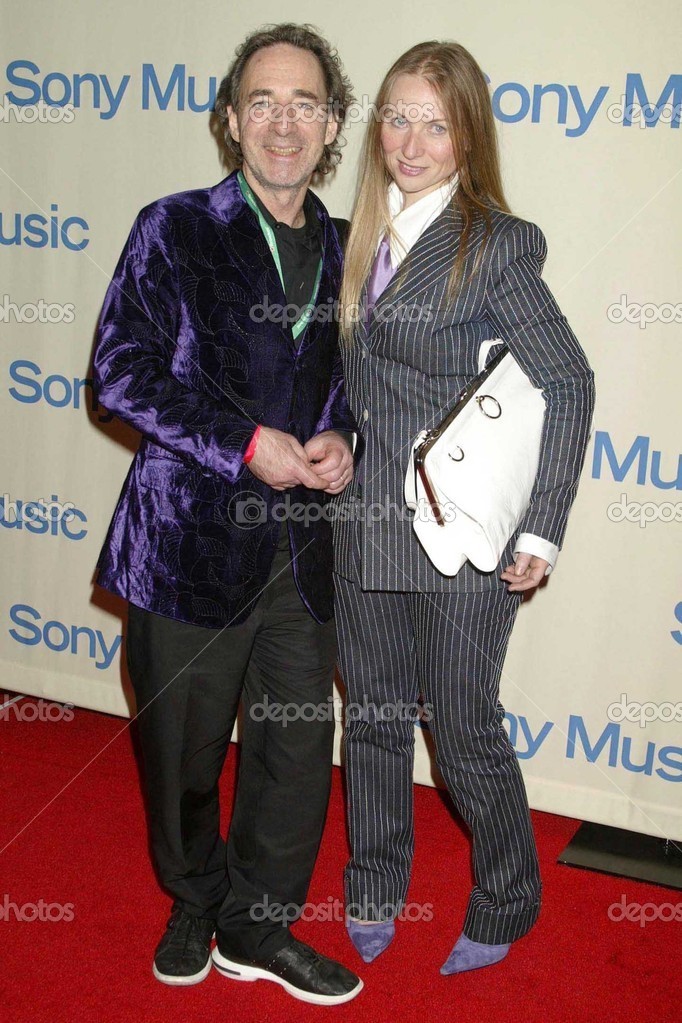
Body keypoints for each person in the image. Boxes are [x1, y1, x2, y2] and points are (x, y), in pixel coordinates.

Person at [92, 23, 363, 1006]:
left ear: (332, 124)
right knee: (185, 758)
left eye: (303, 103)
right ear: (231, 119)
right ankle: (194, 897)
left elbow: (357, 393)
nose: (282, 122)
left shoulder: (350, 249)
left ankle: (258, 923)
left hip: (301, 556)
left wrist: (348, 446)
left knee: (294, 754)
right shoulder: (174, 228)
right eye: (262, 101)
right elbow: (118, 375)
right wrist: (247, 443)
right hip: (186, 546)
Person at [333, 41, 595, 973]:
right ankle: (373, 880)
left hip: (461, 536)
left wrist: (542, 526)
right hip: (367, 522)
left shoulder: (494, 243)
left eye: (436, 123)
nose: (411, 141)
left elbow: (567, 380)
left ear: (468, 136)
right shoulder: (363, 231)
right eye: (396, 117)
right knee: (371, 715)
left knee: (463, 723)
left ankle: (510, 894)